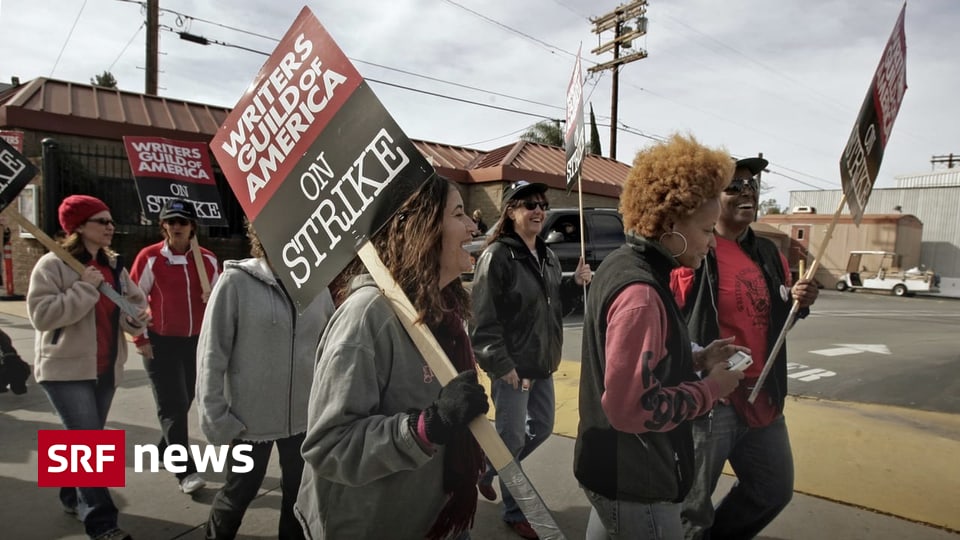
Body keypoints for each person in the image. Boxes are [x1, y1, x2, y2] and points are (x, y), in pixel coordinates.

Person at [296, 175, 490, 539]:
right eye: (459, 213)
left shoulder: (443, 309)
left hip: (437, 517)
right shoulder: (368, 315)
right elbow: (329, 446)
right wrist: (427, 427)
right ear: (423, 228)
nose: (472, 226)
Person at [574, 134, 745, 540]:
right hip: (637, 482)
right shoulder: (641, 293)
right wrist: (711, 388)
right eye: (706, 229)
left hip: (611, 472)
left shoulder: (624, 263)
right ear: (671, 224)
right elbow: (631, 409)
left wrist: (699, 358)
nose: (711, 242)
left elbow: (641, 356)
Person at [672, 156, 819, 540]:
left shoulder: (768, 253)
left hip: (762, 393)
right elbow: (670, 314)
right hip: (714, 398)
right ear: (712, 197)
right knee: (692, 507)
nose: (747, 192)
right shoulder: (696, 246)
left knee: (773, 489)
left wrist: (799, 302)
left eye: (752, 185)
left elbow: (779, 315)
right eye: (734, 186)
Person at [195, 222, 334, 540]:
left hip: (303, 420)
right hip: (247, 423)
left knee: (297, 500)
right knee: (237, 495)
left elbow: (330, 349)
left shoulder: (317, 285)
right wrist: (216, 417)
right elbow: (211, 354)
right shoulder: (235, 282)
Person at [470, 180, 592, 539]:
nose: (538, 210)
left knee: (541, 426)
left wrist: (575, 285)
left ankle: (489, 467)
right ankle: (513, 509)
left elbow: (555, 310)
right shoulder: (498, 257)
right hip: (513, 370)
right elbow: (481, 320)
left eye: (542, 203)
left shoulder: (548, 256)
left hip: (542, 364)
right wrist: (501, 364)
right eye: (528, 204)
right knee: (511, 440)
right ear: (510, 211)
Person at [27, 195, 150, 540]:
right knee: (90, 445)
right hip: (65, 371)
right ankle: (102, 523)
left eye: (111, 221)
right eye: (102, 221)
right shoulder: (52, 265)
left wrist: (135, 319)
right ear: (79, 226)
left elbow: (135, 308)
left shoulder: (115, 265)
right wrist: (85, 288)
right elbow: (42, 316)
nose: (111, 227)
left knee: (82, 439)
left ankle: (71, 495)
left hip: (105, 368)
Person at [130, 198, 219, 495]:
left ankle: (163, 449)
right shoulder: (151, 257)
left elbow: (220, 302)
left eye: (182, 221)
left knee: (185, 400)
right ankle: (184, 470)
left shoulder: (207, 260)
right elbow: (133, 300)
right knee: (172, 406)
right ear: (163, 226)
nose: (177, 227)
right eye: (171, 221)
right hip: (160, 342)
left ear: (193, 226)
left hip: (196, 343)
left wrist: (213, 299)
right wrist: (140, 338)